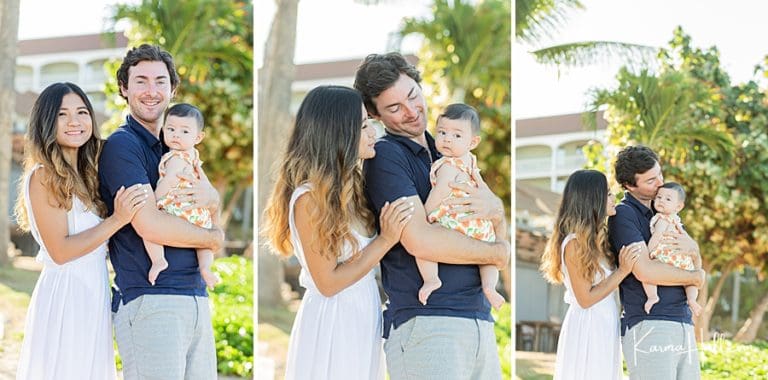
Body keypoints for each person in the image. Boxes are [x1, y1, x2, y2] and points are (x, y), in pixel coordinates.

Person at [355, 52, 510, 379]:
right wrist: (496, 252)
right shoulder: (386, 157)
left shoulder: (451, 148)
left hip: (478, 319)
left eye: (413, 96)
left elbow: (490, 213)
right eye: (395, 108)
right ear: (374, 114)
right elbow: (421, 240)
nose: (412, 111)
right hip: (427, 323)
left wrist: (497, 212)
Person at [262, 85, 414, 380]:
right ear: (339, 133)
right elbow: (328, 283)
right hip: (333, 320)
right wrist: (385, 240)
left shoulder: (354, 188)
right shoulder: (309, 199)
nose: (373, 132)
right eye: (363, 125)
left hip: (364, 312)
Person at [98, 44, 224, 379]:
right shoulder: (123, 146)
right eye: (141, 81)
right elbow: (150, 225)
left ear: (173, 89)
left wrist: (213, 204)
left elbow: (208, 204)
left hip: (195, 295)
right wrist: (212, 238)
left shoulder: (179, 148)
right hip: (151, 298)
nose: (151, 91)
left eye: (160, 81)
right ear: (124, 88)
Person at [15, 82, 148, 380]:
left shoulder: (88, 176)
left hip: (94, 291)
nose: (74, 121)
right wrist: (117, 219)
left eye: (82, 112)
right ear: (46, 123)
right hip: (66, 295)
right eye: (62, 114)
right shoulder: (43, 176)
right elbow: (60, 252)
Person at [608, 145, 705, 379]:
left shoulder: (665, 209)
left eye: (660, 174)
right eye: (651, 180)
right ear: (629, 185)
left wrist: (695, 253)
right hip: (650, 323)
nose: (660, 183)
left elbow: (690, 257)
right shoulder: (624, 215)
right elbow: (645, 271)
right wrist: (694, 276)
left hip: (683, 319)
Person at [540, 169, 640, 380]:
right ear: (593, 199)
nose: (613, 197)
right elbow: (585, 299)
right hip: (588, 326)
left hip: (606, 322)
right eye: (608, 193)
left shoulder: (599, 240)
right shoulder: (574, 243)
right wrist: (622, 271)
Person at [418, 103, 504, 309]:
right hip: (478, 224)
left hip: (454, 221)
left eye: (457, 135)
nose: (447, 139)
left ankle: (431, 279)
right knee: (488, 256)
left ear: (473, 142)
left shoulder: (448, 164)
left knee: (422, 247)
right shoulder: (470, 162)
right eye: (442, 132)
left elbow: (441, 191)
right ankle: (490, 287)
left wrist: (425, 215)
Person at [144, 103, 220, 288]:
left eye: (184, 131)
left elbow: (170, 180)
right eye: (171, 129)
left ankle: (158, 260)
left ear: (198, 137)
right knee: (204, 242)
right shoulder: (193, 156)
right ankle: (205, 268)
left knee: (148, 230)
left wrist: (154, 201)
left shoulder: (176, 157)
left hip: (176, 207)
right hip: (197, 210)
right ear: (163, 130)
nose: (176, 135)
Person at [642, 182, 702, 316]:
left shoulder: (661, 219)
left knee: (648, 276)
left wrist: (649, 253)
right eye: (659, 197)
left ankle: (652, 296)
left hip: (666, 256)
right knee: (690, 281)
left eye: (668, 199)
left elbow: (657, 235)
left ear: (679, 206)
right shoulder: (677, 221)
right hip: (682, 258)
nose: (661, 201)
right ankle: (692, 299)